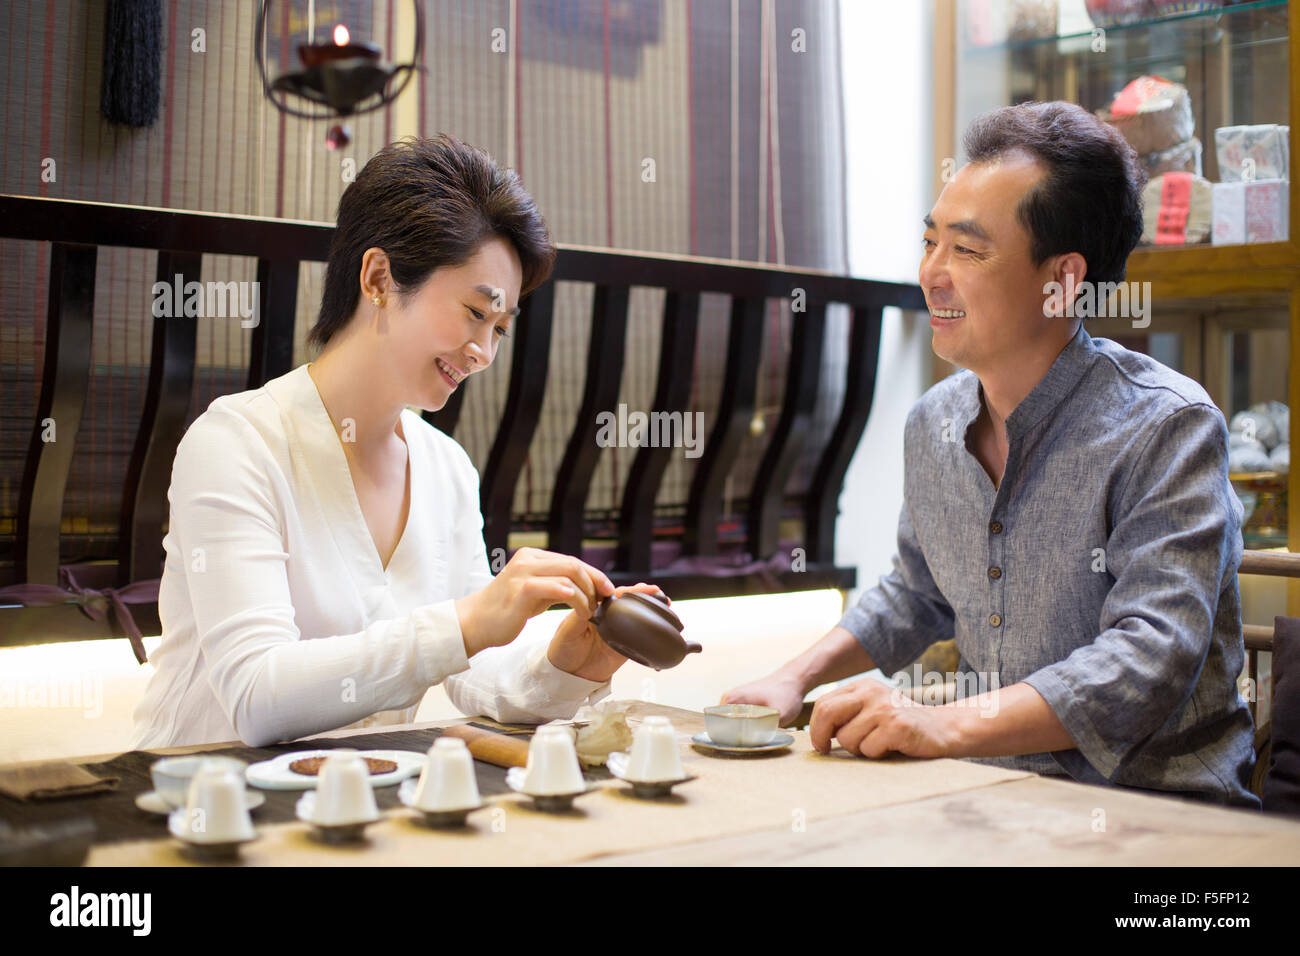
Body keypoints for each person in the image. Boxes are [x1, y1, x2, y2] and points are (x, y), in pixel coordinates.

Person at [723, 101, 1260, 808]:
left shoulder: (1168, 426)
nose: (932, 274)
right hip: (995, 801)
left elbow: (1150, 657)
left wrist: (939, 724)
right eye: (930, 242)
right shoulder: (935, 424)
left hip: (1160, 818)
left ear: (1064, 279)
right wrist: (793, 676)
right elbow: (918, 593)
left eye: (968, 250)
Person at [131, 134, 656, 749]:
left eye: (500, 329)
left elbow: (474, 673)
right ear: (379, 276)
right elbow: (256, 697)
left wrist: (568, 666)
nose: (483, 353)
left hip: (355, 816)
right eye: (473, 312)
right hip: (199, 815)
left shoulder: (446, 467)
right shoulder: (236, 444)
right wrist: (466, 624)